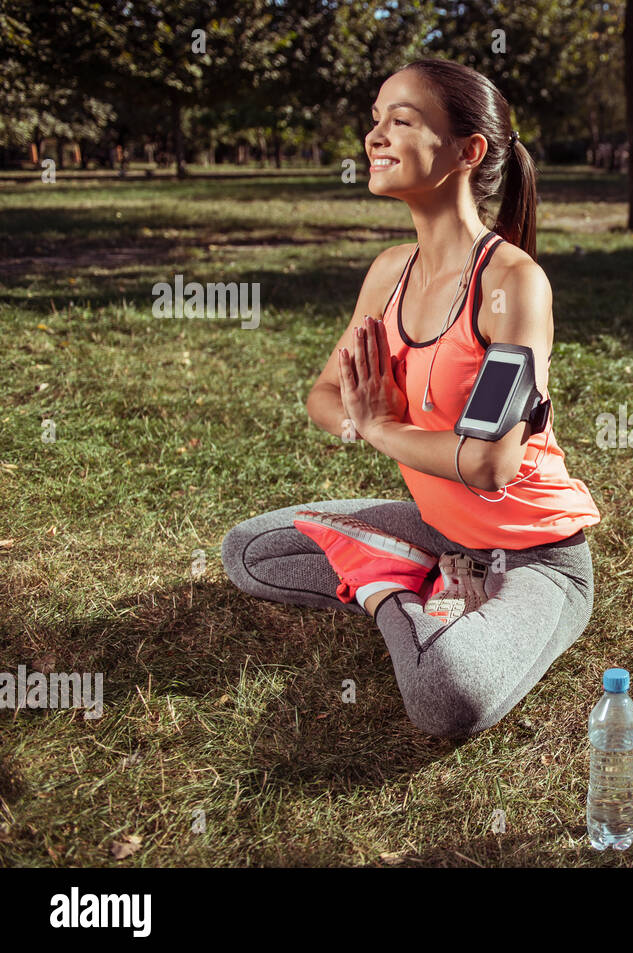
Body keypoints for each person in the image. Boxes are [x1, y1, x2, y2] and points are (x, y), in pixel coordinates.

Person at [221, 58, 601, 739]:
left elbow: (489, 463)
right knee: (250, 551)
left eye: (401, 120)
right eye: (374, 121)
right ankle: (417, 582)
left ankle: (405, 591)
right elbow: (323, 395)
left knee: (445, 693)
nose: (374, 137)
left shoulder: (513, 285)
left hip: (536, 556)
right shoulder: (389, 272)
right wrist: (365, 421)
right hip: (440, 531)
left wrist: (380, 427)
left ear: (468, 151)